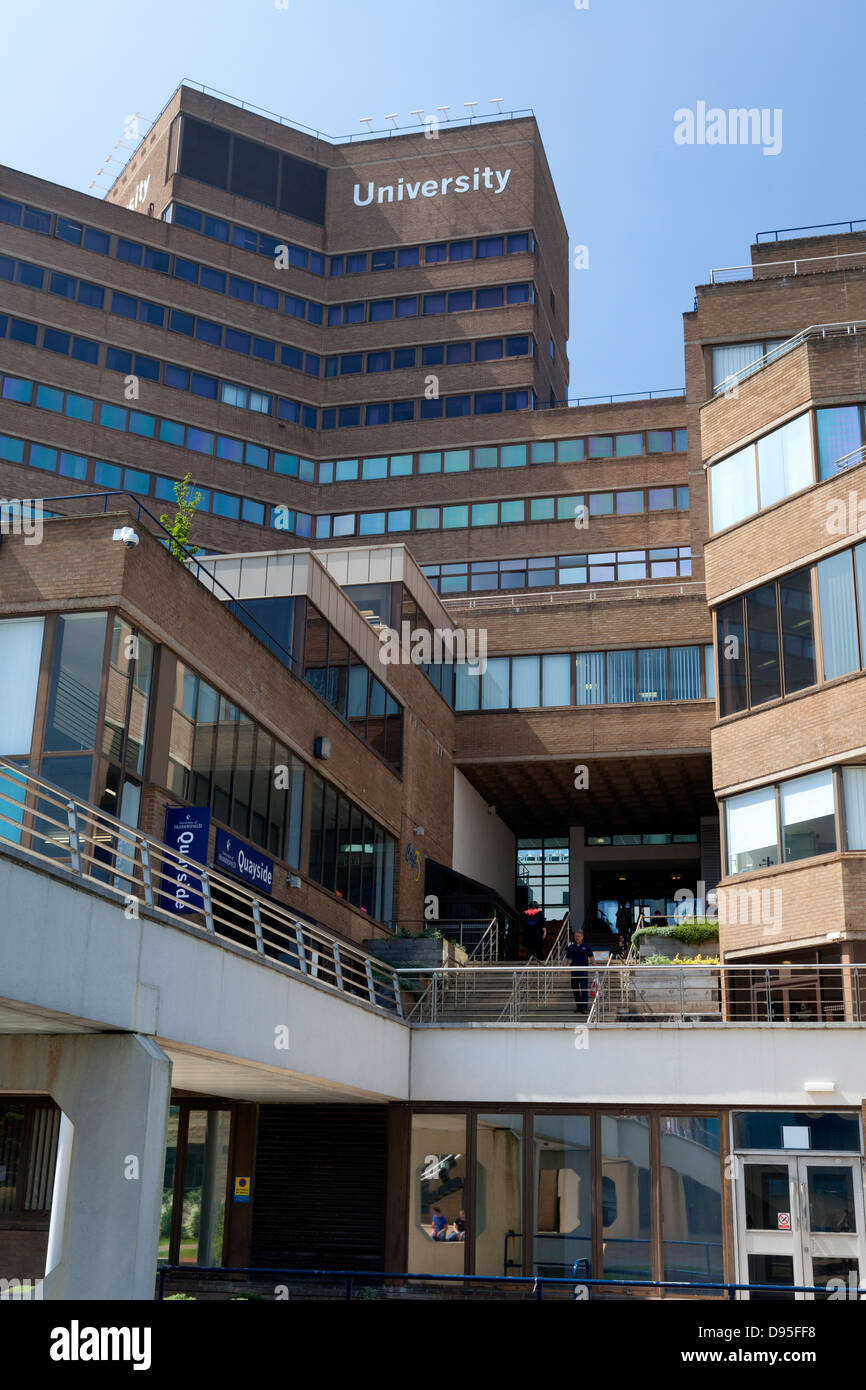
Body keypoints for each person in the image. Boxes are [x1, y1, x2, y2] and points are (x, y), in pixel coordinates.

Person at [564, 927, 594, 1012]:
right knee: (575, 989)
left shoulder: (586, 946)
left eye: (578, 936)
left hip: (583, 971)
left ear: (582, 937)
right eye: (575, 936)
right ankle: (579, 1007)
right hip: (574, 971)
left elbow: (591, 958)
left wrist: (595, 968)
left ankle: (584, 1008)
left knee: (584, 989)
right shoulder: (571, 947)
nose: (577, 937)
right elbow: (567, 958)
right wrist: (564, 966)